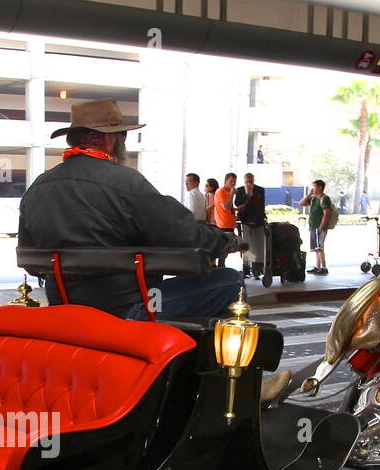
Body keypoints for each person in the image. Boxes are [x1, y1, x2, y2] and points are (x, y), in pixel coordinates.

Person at [17, 98, 243, 327]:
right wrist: (227, 240)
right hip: (133, 309)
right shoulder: (124, 182)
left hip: (65, 309)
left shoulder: (38, 188)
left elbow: (32, 264)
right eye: (122, 136)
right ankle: (196, 360)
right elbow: (183, 233)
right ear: (108, 138)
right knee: (230, 282)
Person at [233, 173, 267, 278]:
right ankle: (247, 267)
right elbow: (237, 203)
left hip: (257, 221)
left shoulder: (260, 190)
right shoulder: (239, 190)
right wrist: (246, 195)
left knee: (258, 244)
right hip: (245, 221)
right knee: (246, 245)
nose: (249, 184)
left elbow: (260, 204)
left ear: (254, 180)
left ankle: (258, 267)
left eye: (251, 181)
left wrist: (251, 194)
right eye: (247, 182)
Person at [299, 179, 333, 275]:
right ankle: (318, 266)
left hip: (319, 227)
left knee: (320, 247)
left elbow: (326, 213)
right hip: (313, 227)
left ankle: (323, 267)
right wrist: (309, 195)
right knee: (316, 248)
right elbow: (302, 203)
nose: (313, 189)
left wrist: (321, 227)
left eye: (314, 186)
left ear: (320, 187)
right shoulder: (313, 198)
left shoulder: (325, 198)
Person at [213, 172, 238, 265]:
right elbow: (226, 207)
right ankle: (220, 268)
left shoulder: (227, 192)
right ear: (225, 181)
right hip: (223, 224)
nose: (233, 184)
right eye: (231, 181)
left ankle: (221, 266)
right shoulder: (221, 192)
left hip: (229, 224)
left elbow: (229, 207)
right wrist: (232, 194)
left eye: (235, 181)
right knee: (224, 250)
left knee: (227, 249)